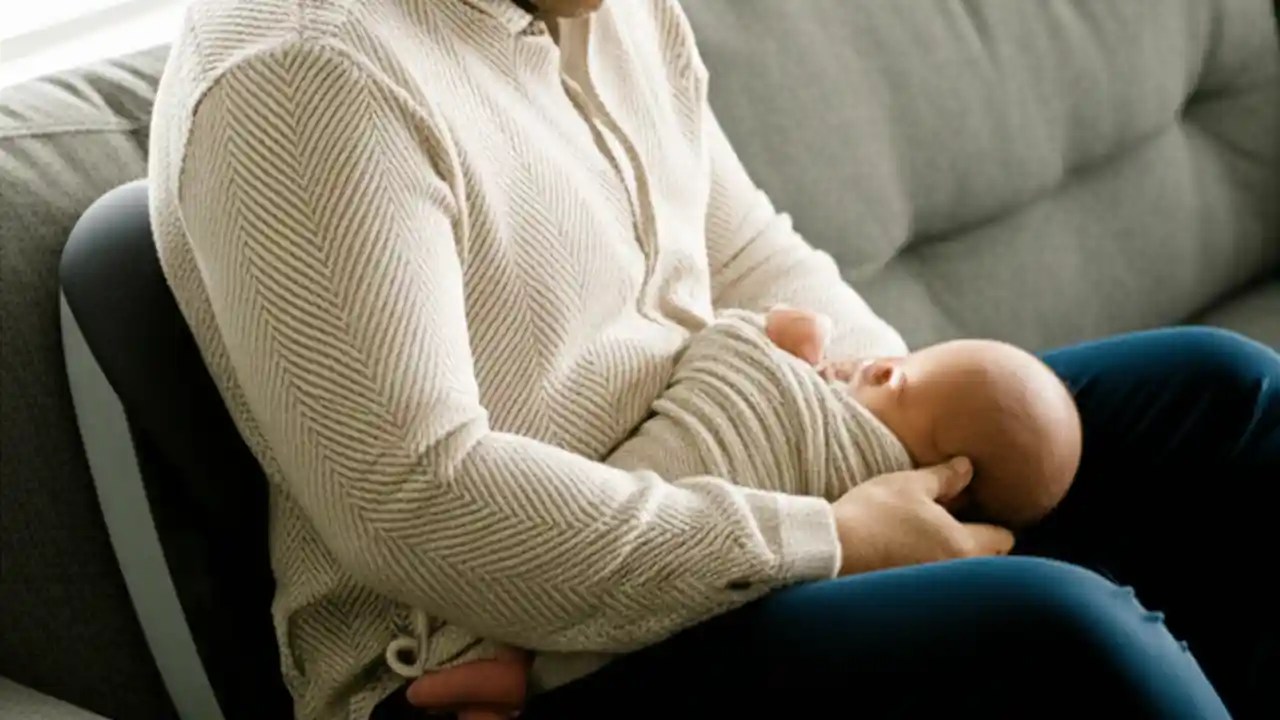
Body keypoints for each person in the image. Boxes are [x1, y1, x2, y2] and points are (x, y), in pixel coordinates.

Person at [145, 0, 1280, 718]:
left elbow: (746, 254)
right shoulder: (303, 74)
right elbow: (416, 504)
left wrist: (893, 437)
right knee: (1060, 637)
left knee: (1217, 397)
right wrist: (835, 540)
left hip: (742, 468)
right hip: (490, 646)